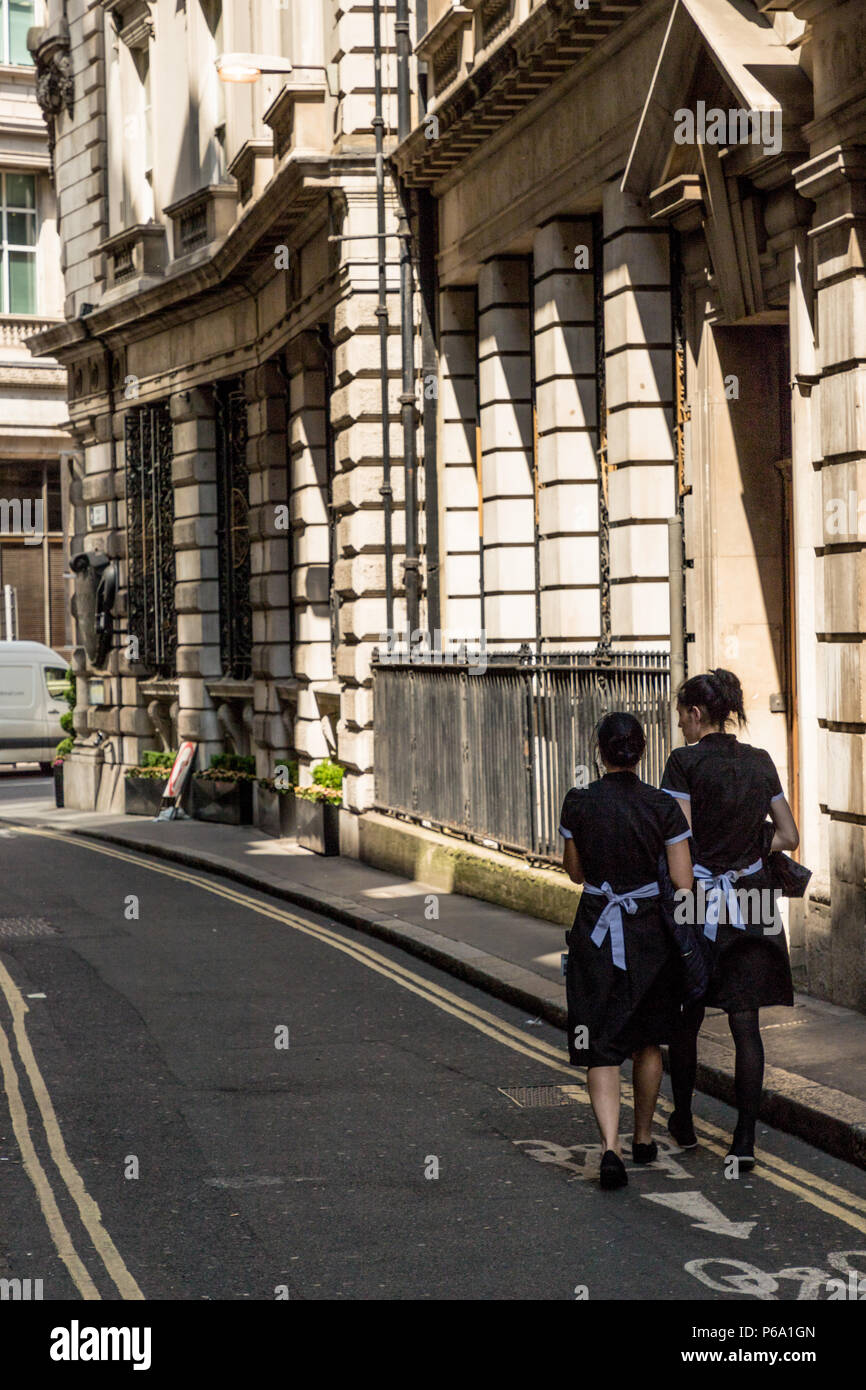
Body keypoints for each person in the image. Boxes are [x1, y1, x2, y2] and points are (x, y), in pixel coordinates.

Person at [661, 669, 800, 1170]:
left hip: (698, 898)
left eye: (681, 718)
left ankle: (684, 1122)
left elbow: (679, 837)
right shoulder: (760, 762)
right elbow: (788, 834)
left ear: (696, 714)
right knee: (746, 1024)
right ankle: (743, 1142)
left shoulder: (684, 763)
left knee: (687, 1016)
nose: (680, 727)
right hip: (753, 898)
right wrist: (752, 844)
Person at [560, 712, 694, 1189]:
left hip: (596, 928)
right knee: (648, 1039)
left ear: (600, 751)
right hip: (650, 936)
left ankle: (610, 1148)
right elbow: (681, 881)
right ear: (641, 751)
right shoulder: (662, 807)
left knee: (599, 1040)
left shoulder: (578, 803)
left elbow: (576, 874)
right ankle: (642, 1137)